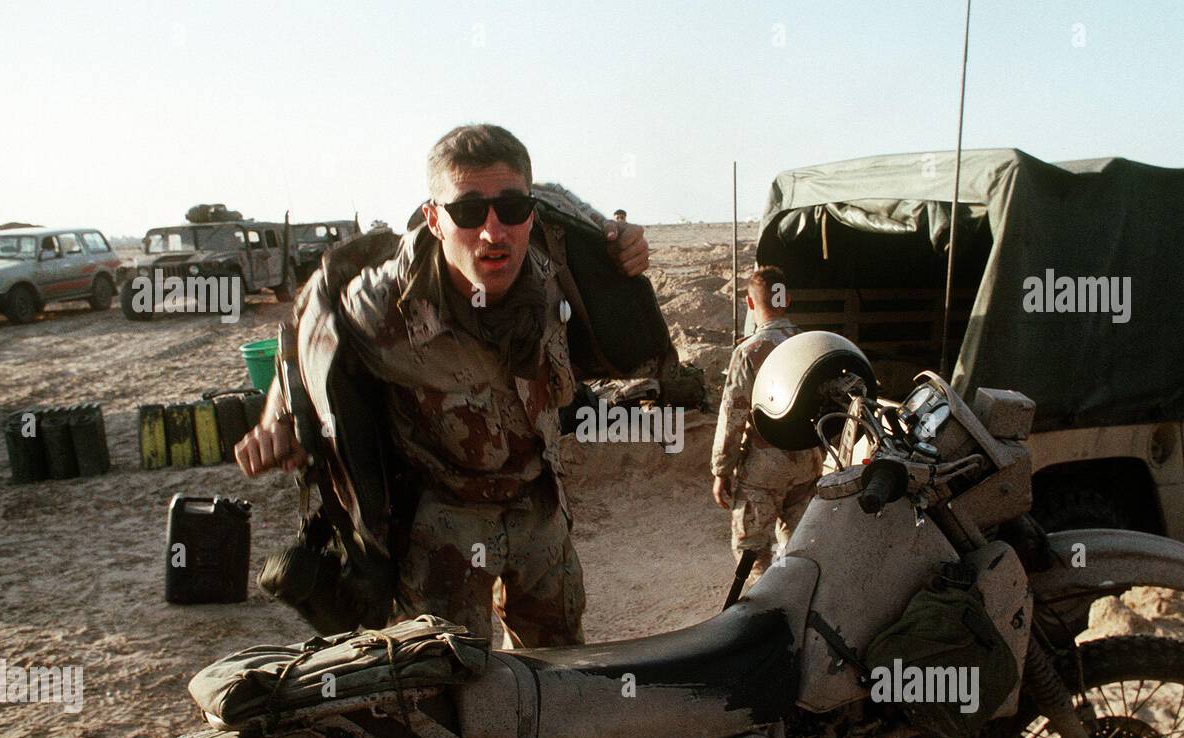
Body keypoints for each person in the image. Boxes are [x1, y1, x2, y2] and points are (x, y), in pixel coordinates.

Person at [235, 123, 650, 648]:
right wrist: (280, 414)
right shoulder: (385, 304)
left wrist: (628, 246)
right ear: (434, 218)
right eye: (469, 211)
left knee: (560, 668)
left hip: (539, 504)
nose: (493, 232)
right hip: (444, 525)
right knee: (446, 684)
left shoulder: (554, 268)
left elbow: (601, 236)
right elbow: (305, 320)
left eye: (512, 209)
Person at [710, 266, 823, 581]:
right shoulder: (813, 344)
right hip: (807, 462)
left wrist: (722, 470)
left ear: (748, 303)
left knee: (753, 552)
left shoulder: (749, 351)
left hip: (764, 468)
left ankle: (763, 609)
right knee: (801, 547)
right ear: (787, 300)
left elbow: (733, 415)